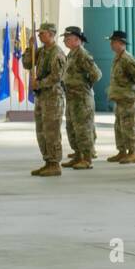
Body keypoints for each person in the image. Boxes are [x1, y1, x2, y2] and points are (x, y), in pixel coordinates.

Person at [23, 21, 66, 176]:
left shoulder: (57, 53)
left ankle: (55, 163)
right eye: (39, 33)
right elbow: (27, 64)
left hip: (53, 98)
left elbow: (57, 77)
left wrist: (39, 83)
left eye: (42, 33)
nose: (39, 35)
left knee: (52, 131)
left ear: (51, 34)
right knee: (41, 131)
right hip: (42, 97)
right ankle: (47, 160)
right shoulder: (41, 51)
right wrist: (30, 47)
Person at [60, 25, 101, 170]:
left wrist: (85, 86)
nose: (65, 41)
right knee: (72, 128)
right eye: (65, 38)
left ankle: (87, 158)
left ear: (77, 40)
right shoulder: (71, 54)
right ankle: (78, 155)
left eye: (68, 38)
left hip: (82, 99)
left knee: (83, 129)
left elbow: (96, 74)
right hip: (71, 99)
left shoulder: (83, 55)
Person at [107, 30, 135, 164]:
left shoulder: (128, 59)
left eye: (113, 42)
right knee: (119, 126)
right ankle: (122, 151)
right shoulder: (118, 58)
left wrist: (128, 89)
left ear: (121, 43)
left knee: (128, 126)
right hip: (120, 99)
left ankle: (132, 153)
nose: (111, 44)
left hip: (127, 99)